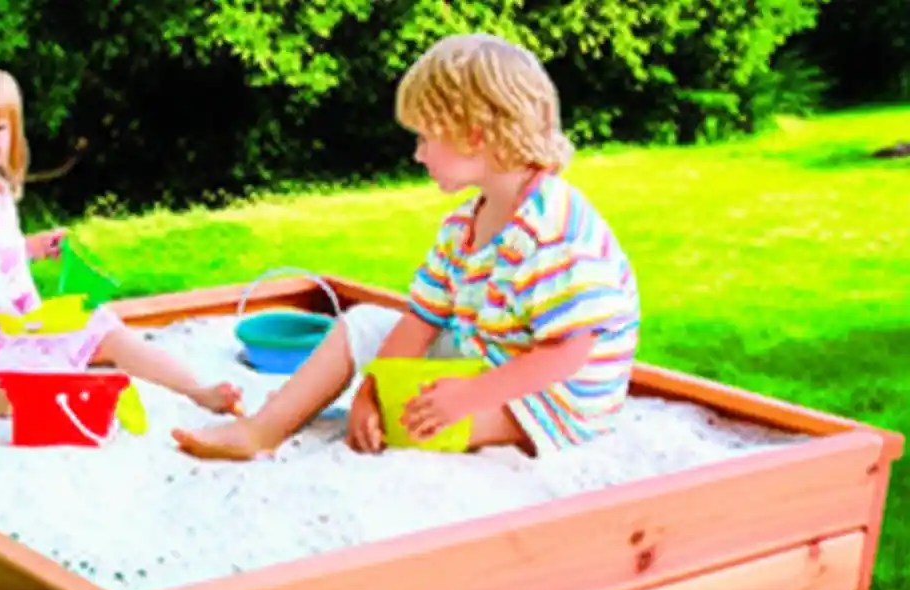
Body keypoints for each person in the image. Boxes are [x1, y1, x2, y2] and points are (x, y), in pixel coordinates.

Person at [172, 34, 640, 461]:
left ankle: (411, 415)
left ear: (474, 136)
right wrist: (370, 391)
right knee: (362, 325)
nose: (417, 154)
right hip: (488, 356)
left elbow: (567, 354)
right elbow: (421, 319)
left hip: (554, 397)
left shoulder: (553, 230)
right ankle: (261, 431)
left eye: (425, 138)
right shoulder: (462, 226)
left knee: (421, 424)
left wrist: (467, 396)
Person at [0, 60, 243, 418]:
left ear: (13, 132)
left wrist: (31, 248)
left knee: (105, 326)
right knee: (26, 393)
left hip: (23, 325)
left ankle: (196, 390)